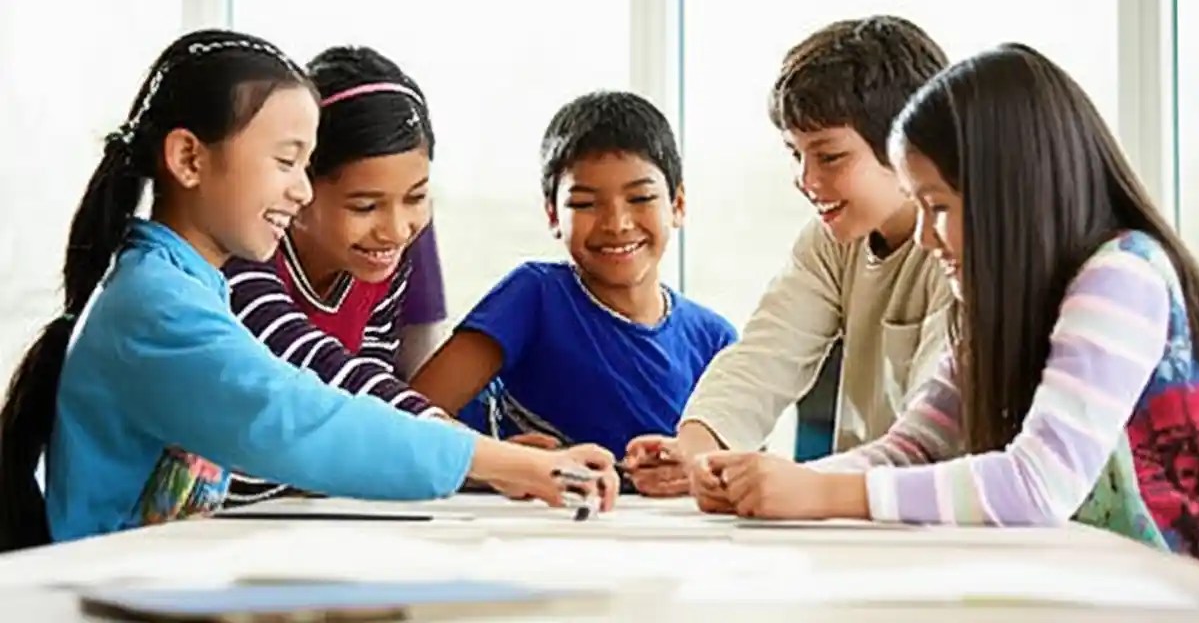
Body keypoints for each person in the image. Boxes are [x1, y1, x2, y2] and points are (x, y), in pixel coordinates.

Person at [0, 30, 616, 550]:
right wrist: (506, 463)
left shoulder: (182, 285)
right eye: (286, 161)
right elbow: (296, 417)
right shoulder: (156, 305)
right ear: (189, 159)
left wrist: (491, 467)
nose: (300, 192)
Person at [704, 43, 1199, 574]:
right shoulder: (1001, 305)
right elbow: (913, 447)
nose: (922, 236)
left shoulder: (1122, 277)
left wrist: (822, 491)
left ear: (1008, 191)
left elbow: (1037, 485)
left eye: (936, 206)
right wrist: (770, 483)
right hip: (1063, 587)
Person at [625, 16, 953, 505]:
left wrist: (807, 485)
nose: (805, 179)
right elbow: (765, 354)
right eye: (795, 154)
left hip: (933, 511)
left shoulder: (959, 253)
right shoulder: (830, 241)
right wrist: (693, 451)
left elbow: (933, 434)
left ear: (907, 145)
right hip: (860, 513)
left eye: (830, 156)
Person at [412, 91, 736, 459]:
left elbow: (737, 468)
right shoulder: (534, 296)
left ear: (677, 205)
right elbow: (411, 417)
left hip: (660, 518)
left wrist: (691, 473)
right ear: (552, 215)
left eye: (641, 198)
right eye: (584, 204)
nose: (616, 224)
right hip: (535, 514)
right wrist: (501, 463)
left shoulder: (715, 341)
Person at [222, 45, 453, 504]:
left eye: (416, 197)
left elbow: (370, 390)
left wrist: (477, 463)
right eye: (365, 206)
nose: (396, 229)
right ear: (299, 184)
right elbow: (323, 371)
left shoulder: (384, 257)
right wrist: (469, 454)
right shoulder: (242, 254)